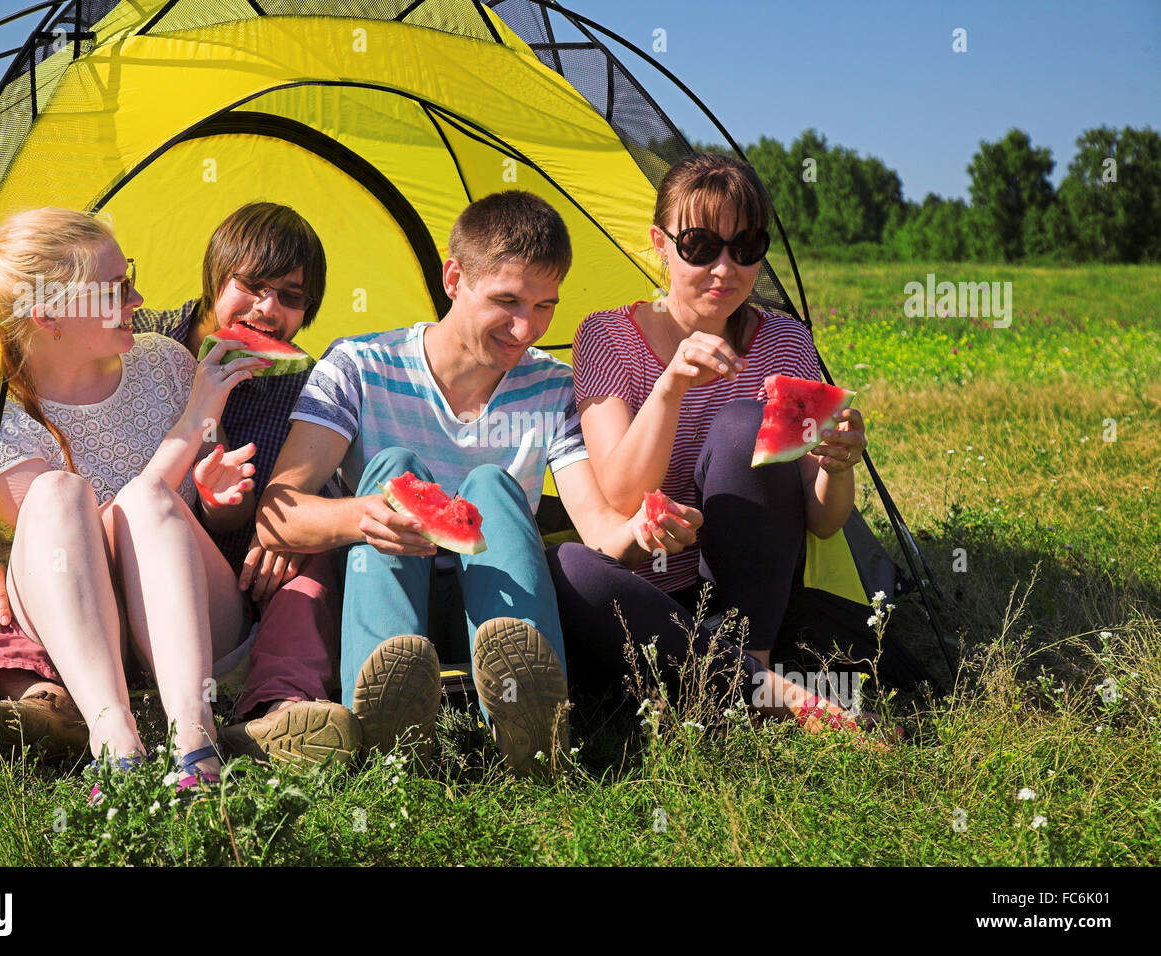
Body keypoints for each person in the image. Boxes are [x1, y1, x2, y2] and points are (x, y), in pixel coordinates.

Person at [253, 191, 698, 775]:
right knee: (393, 467)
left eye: (544, 306)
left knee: (492, 485)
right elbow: (276, 510)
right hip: (385, 588)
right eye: (507, 301)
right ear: (454, 277)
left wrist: (642, 533)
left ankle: (533, 722)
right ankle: (385, 711)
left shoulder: (552, 387)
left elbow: (597, 534)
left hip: (497, 619)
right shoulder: (359, 365)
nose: (525, 328)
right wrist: (363, 516)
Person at [0, 203, 359, 768]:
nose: (137, 301)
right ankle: (112, 734)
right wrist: (191, 420)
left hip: (191, 622)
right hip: (74, 634)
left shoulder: (167, 362)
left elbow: (201, 517)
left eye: (130, 277)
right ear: (48, 317)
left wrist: (220, 497)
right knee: (59, 494)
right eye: (114, 289)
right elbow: (88, 552)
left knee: (152, 500)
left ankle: (194, 737)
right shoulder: (3, 420)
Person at [548, 152, 871, 728]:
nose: (725, 269)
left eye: (745, 248)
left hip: (748, 605)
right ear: (660, 243)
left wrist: (836, 467)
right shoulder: (607, 336)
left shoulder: (784, 343)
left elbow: (822, 521)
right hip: (645, 596)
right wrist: (671, 382)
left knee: (743, 424)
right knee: (568, 568)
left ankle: (747, 668)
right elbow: (622, 497)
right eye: (700, 246)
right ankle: (764, 694)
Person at [129, 202, 358, 766]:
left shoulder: (307, 385)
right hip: (128, 563)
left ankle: (279, 709)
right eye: (251, 286)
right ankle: (36, 693)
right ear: (215, 274)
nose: (266, 309)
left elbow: (254, 513)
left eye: (290, 296)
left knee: (310, 551)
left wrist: (268, 524)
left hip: (238, 587)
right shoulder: (140, 341)